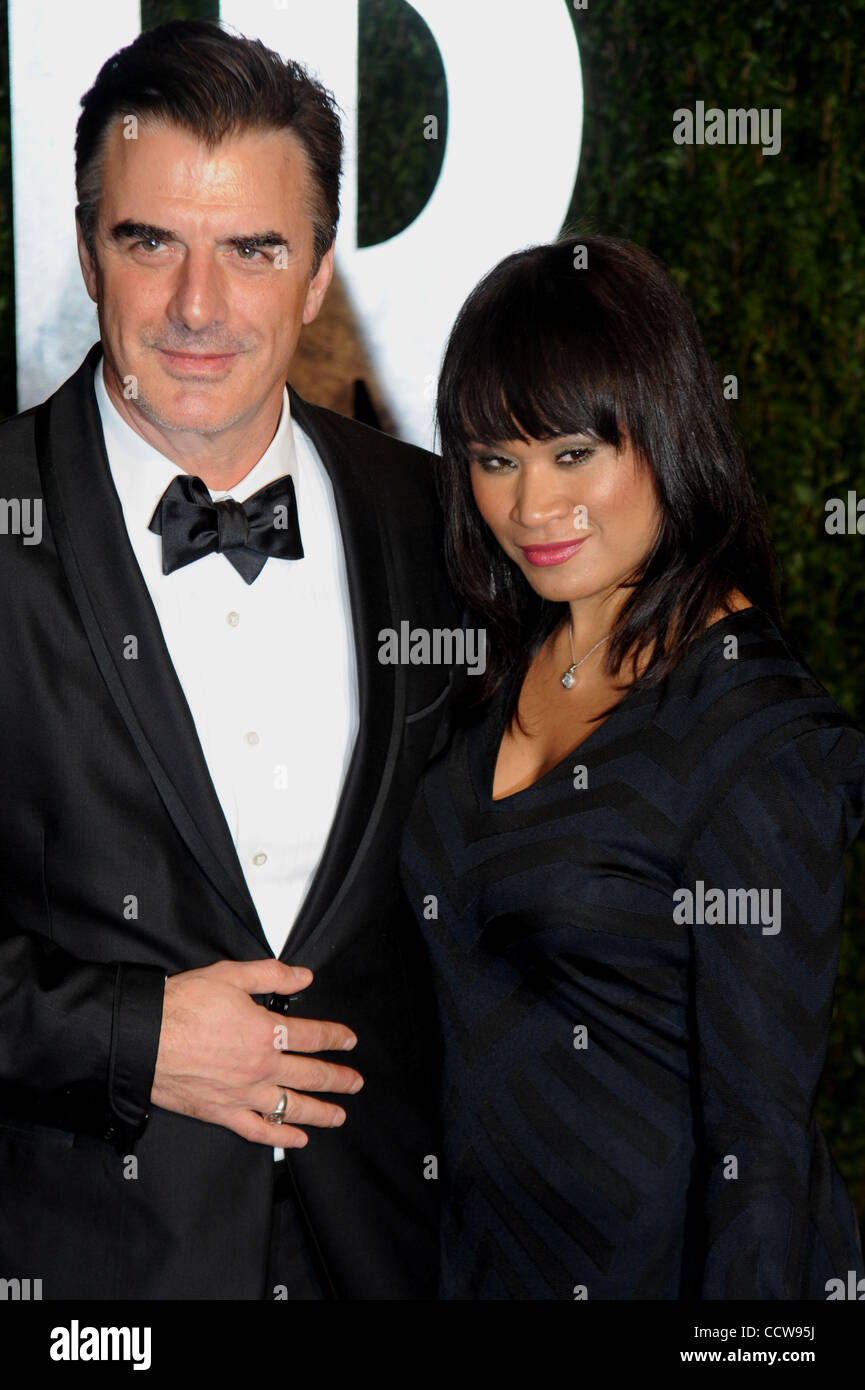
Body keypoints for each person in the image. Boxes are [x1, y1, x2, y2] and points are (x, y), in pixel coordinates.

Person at [0, 19, 461, 1300]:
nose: (198, 307)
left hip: (389, 1257)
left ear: (316, 273)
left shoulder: (438, 524)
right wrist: (132, 1034)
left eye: (253, 249)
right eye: (151, 242)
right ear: (88, 251)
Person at [399, 235, 865, 1300]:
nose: (529, 507)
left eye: (572, 454)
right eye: (494, 460)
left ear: (664, 430)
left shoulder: (754, 733)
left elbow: (761, 1150)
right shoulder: (501, 655)